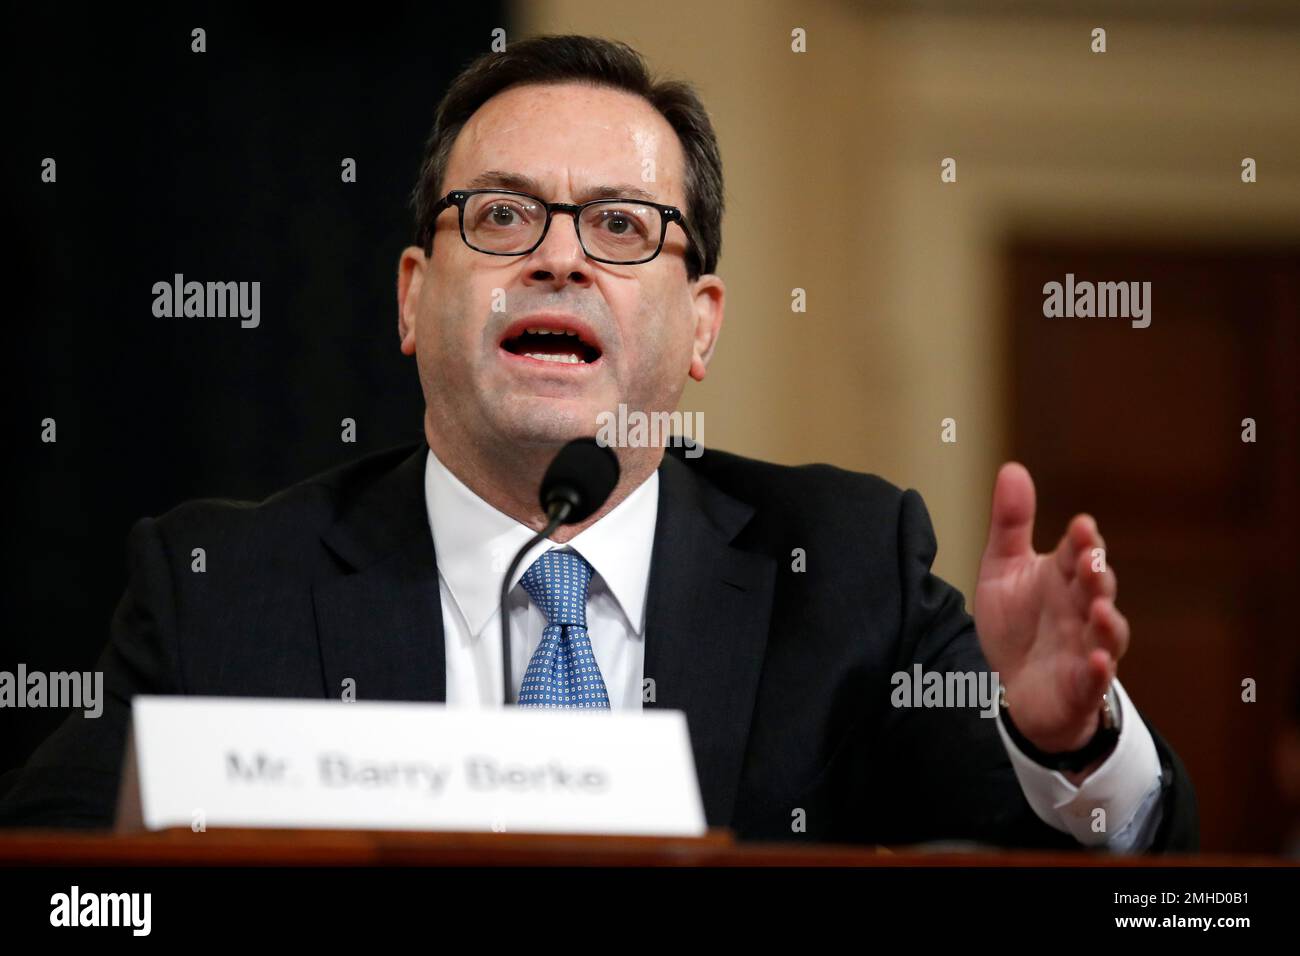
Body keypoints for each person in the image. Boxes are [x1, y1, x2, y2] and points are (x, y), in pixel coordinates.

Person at [0, 34, 1195, 849]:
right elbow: (58, 881)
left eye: (622, 224)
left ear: (702, 325)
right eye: (505, 213)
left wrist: (1063, 739)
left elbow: (1100, 868)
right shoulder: (228, 587)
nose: (560, 256)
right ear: (412, 297)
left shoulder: (839, 570)